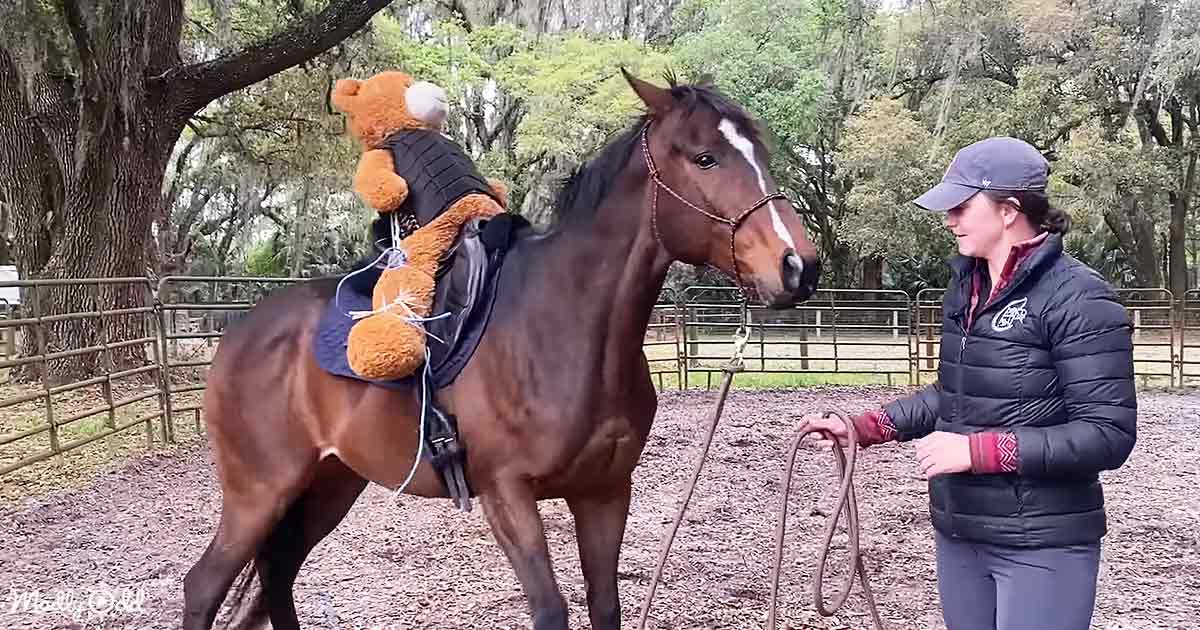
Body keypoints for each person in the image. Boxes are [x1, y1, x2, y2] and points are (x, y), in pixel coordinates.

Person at [802, 136, 1137, 630]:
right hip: (961, 532)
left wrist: (977, 453)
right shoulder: (967, 289)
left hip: (1041, 544)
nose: (949, 219)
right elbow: (956, 395)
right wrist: (865, 427)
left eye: (962, 206)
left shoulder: (1080, 298)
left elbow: (1107, 434)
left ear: (1008, 210)